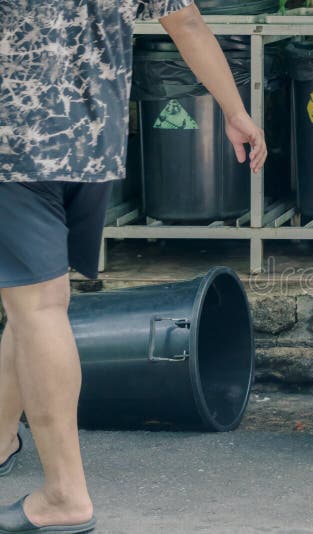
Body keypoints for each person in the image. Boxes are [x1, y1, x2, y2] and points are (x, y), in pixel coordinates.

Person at [0, 1, 266, 532]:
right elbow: (186, 22)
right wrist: (235, 112)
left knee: (37, 309)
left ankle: (64, 496)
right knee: (36, 301)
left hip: (15, 143)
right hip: (91, 147)